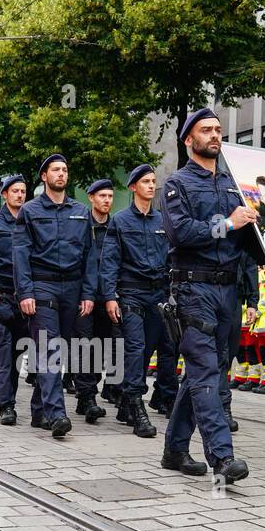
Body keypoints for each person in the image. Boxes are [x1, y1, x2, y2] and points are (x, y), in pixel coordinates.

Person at [158, 110, 256, 480]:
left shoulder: (235, 183)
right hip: (192, 288)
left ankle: (174, 451)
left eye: (218, 130)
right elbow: (181, 232)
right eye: (206, 131)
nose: (215, 136)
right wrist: (228, 223)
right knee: (205, 372)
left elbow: (249, 239)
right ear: (189, 140)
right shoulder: (176, 184)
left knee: (205, 373)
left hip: (228, 288)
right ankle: (222, 458)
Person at [13, 153, 98, 438]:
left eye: (64, 169)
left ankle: (39, 409)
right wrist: (25, 292)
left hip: (73, 288)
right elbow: (21, 255)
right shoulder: (30, 211)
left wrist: (88, 293)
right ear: (44, 177)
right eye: (55, 170)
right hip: (43, 286)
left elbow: (90, 255)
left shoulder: (81, 211)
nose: (61, 174)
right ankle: (57, 413)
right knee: (50, 348)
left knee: (59, 348)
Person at [101, 164, 173, 437]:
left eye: (154, 181)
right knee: (135, 346)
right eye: (145, 181)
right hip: (131, 293)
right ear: (133, 187)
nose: (151, 186)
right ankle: (135, 404)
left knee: (147, 349)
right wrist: (109, 296)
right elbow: (109, 261)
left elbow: (170, 258)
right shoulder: (120, 221)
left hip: (157, 294)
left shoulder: (162, 221)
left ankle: (125, 402)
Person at [0, 175, 35, 425]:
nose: (20, 195)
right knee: (2, 355)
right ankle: (5, 405)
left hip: (25, 298)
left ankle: (9, 398)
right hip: (0, 296)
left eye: (23, 191)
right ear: (5, 195)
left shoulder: (31, 220)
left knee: (18, 355)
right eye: (15, 191)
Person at [73, 178, 119, 420]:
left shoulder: (116, 227)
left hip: (108, 296)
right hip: (83, 296)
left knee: (103, 346)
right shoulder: (81, 225)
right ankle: (87, 396)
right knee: (84, 346)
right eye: (102, 196)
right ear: (91, 197)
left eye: (110, 197)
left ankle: (98, 390)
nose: (107, 201)